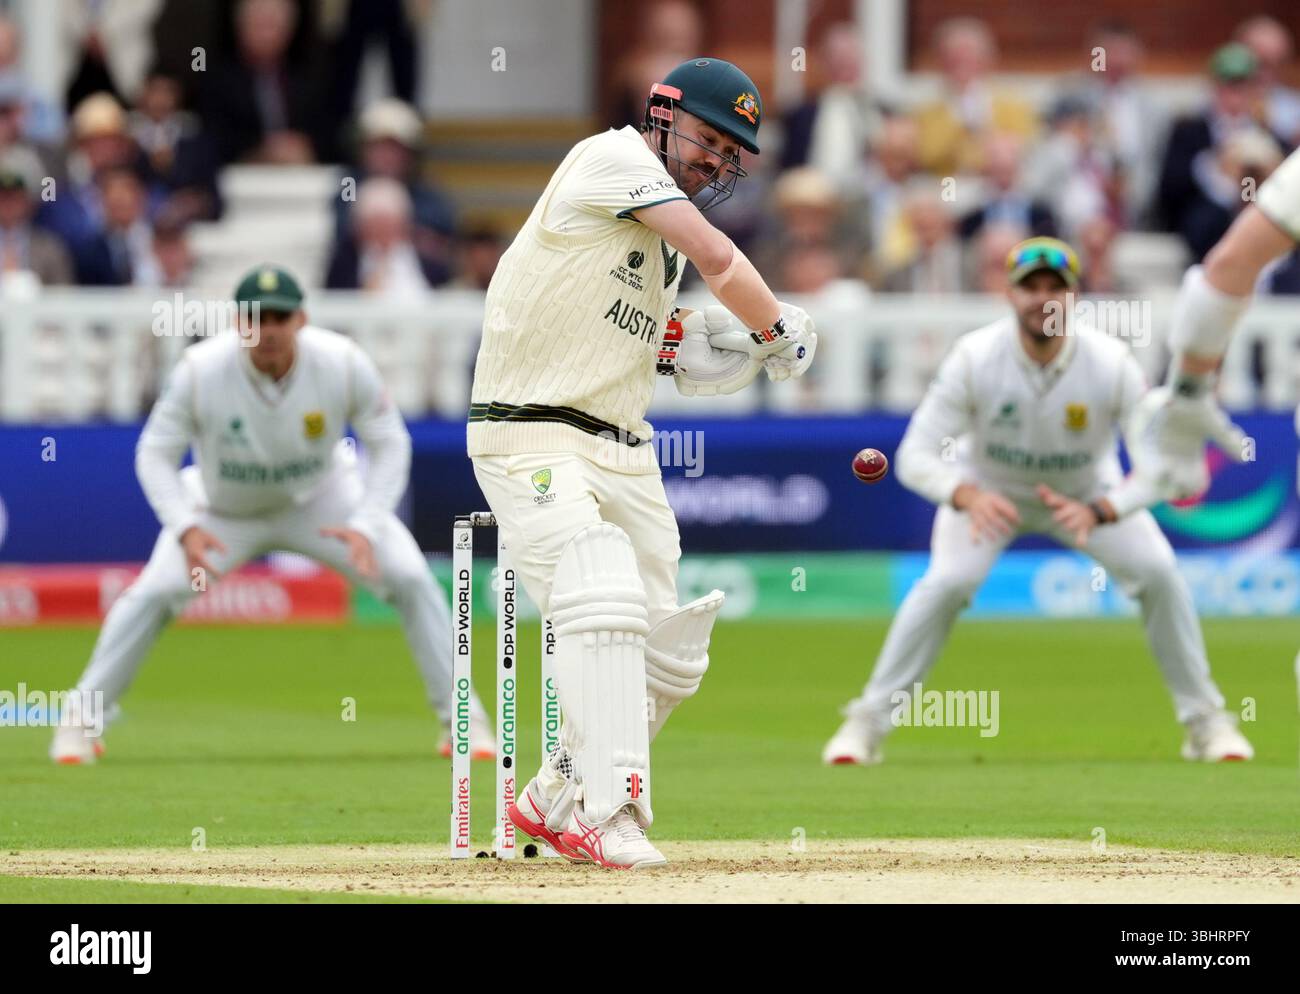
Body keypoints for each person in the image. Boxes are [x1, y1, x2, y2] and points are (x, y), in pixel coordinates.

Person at [469, 58, 817, 868]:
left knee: (669, 648)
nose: (718, 162)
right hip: (532, 433)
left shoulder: (659, 249)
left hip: (623, 447)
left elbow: (648, 342)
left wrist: (693, 346)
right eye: (710, 139)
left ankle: (554, 797)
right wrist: (776, 335)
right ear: (662, 115)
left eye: (733, 153)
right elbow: (726, 261)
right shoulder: (611, 159)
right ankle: (608, 808)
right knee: (603, 594)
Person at [822, 237, 1252, 766]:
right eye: (1031, 288)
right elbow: (915, 455)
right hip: (991, 496)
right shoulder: (975, 357)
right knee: (946, 584)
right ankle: (866, 725)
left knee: (1160, 573)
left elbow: (1156, 469)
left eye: (1056, 288)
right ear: (1010, 294)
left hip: (1085, 495)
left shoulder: (1111, 362)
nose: (1043, 300)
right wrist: (965, 493)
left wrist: (1102, 510)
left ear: (1076, 297)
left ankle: (1207, 725)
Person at [51, 264, 494, 764]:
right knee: (154, 592)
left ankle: (464, 722)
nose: (267, 330)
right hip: (224, 510)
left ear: (301, 319)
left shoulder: (343, 362)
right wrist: (185, 527)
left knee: (412, 578)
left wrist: (367, 523)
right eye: (255, 318)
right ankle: (79, 724)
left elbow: (390, 442)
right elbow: (154, 453)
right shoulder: (200, 370)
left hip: (323, 502)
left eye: (279, 317)